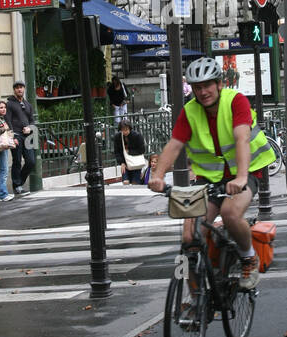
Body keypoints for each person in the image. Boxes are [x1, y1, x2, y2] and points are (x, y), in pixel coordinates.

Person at [148, 56, 274, 282]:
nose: (203, 91)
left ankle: (248, 258)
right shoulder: (190, 111)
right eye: (197, 87)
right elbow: (174, 145)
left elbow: (241, 138)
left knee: (230, 214)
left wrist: (242, 177)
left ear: (219, 84)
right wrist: (157, 176)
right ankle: (193, 300)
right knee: (189, 237)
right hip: (209, 178)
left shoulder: (235, 101)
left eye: (207, 85)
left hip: (244, 173)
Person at [6, 80, 36, 196]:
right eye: (17, 88)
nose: (19, 89)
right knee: (17, 161)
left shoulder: (28, 104)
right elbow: (7, 120)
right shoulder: (10, 104)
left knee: (31, 161)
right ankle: (17, 186)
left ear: (24, 89)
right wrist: (12, 136)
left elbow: (32, 120)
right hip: (16, 136)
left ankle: (19, 183)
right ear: (14, 90)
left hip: (28, 137)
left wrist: (30, 128)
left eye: (21, 87)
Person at [114, 119, 147, 183]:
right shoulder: (117, 137)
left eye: (126, 129)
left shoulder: (137, 136)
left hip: (136, 162)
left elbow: (142, 150)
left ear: (130, 128)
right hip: (125, 163)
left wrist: (129, 152)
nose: (124, 132)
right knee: (125, 182)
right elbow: (117, 152)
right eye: (122, 130)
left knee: (135, 183)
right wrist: (121, 163)